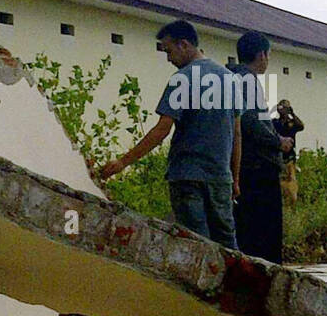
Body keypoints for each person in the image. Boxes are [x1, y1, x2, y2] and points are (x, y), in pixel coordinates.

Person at [98, 19, 241, 249]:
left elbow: (162, 129)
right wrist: (235, 177)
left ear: (184, 44)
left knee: (196, 245)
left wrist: (123, 162)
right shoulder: (230, 79)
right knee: (227, 244)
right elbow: (236, 133)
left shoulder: (183, 78)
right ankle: (237, 285)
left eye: (169, 50)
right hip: (220, 178)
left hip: (187, 176)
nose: (168, 58)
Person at [230, 31, 289, 261]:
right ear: (262, 55)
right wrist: (278, 141)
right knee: (266, 229)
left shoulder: (230, 77)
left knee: (245, 227)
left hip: (239, 162)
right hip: (258, 164)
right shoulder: (248, 80)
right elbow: (252, 121)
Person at [273, 99, 304, 206]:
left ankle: (292, 203)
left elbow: (301, 126)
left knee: (291, 184)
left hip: (289, 159)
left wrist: (292, 113)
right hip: (277, 157)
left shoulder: (291, 124)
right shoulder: (275, 123)